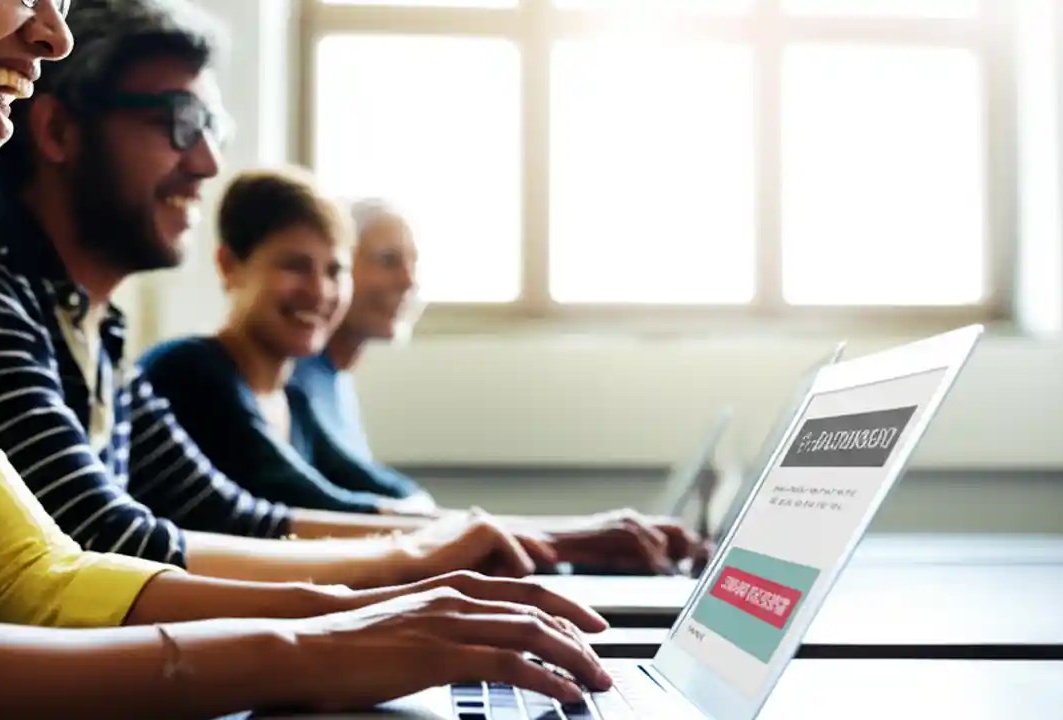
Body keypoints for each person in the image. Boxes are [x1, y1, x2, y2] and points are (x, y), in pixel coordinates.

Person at [0, 0, 614, 716]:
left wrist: (371, 614)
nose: (52, 33)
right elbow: (113, 533)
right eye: (178, 121)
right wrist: (329, 630)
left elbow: (37, 572)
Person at [143, 173, 705, 575]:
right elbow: (308, 511)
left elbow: (379, 499)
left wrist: (559, 537)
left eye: (334, 269)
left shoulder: (289, 392)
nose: (320, 291)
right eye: (295, 266)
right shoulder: (194, 373)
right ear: (228, 266)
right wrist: (562, 537)